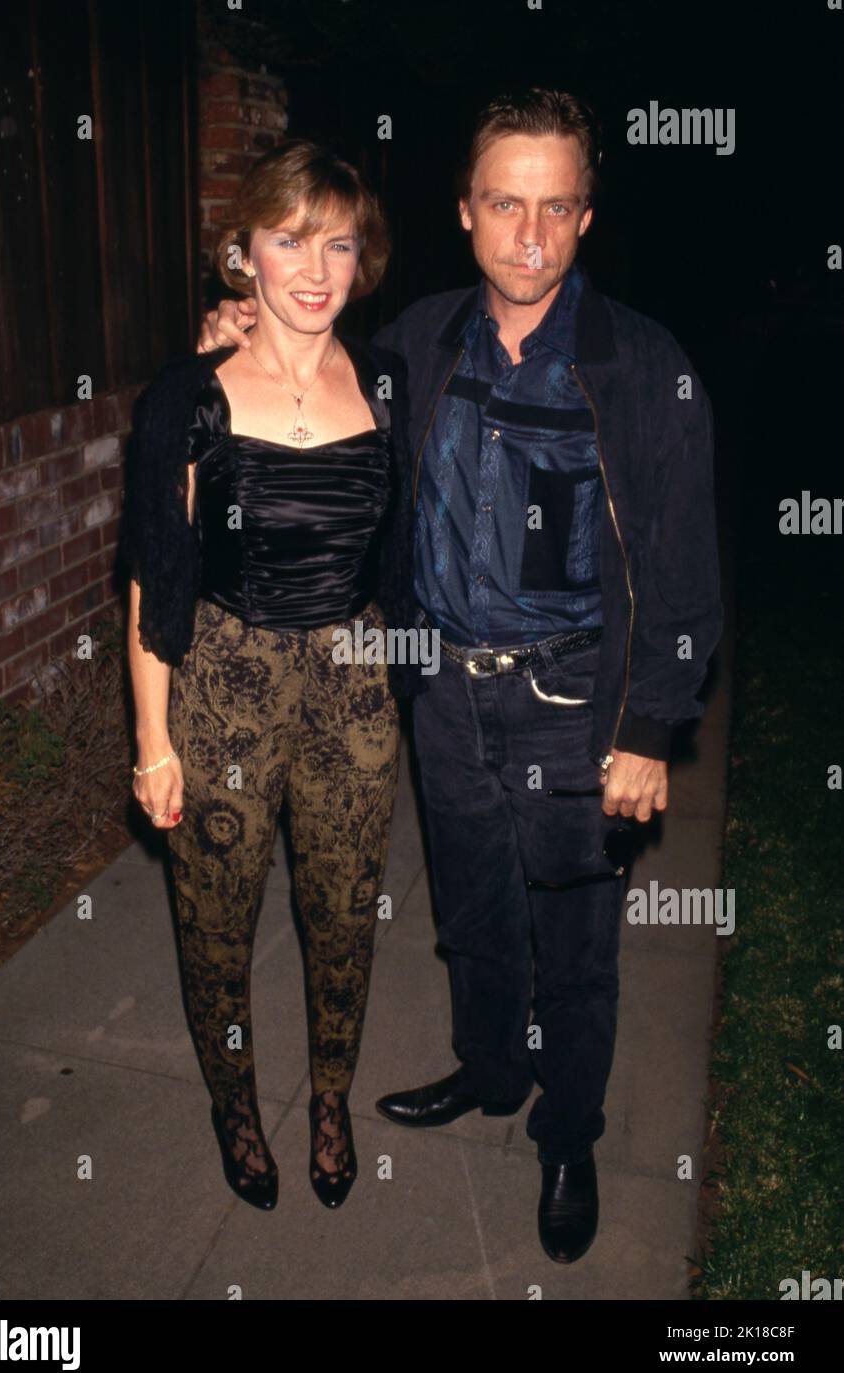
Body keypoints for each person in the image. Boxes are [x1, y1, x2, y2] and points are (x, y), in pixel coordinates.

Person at [200, 89, 723, 1260]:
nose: (528, 235)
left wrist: (650, 725)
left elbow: (687, 575)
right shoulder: (419, 343)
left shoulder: (641, 367)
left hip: (569, 706)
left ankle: (570, 1133)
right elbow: (309, 373)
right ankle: (490, 1072)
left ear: (586, 217)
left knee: (576, 943)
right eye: (504, 203)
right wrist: (234, 333)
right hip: (439, 692)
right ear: (465, 211)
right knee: (474, 917)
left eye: (554, 207)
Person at [119, 140, 411, 1212]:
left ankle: (330, 1097)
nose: (315, 265)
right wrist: (152, 743)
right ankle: (235, 1101)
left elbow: (409, 541)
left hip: (355, 682)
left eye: (339, 240)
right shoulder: (187, 398)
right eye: (289, 237)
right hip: (223, 684)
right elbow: (155, 577)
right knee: (217, 918)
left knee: (344, 910)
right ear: (242, 250)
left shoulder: (387, 380)